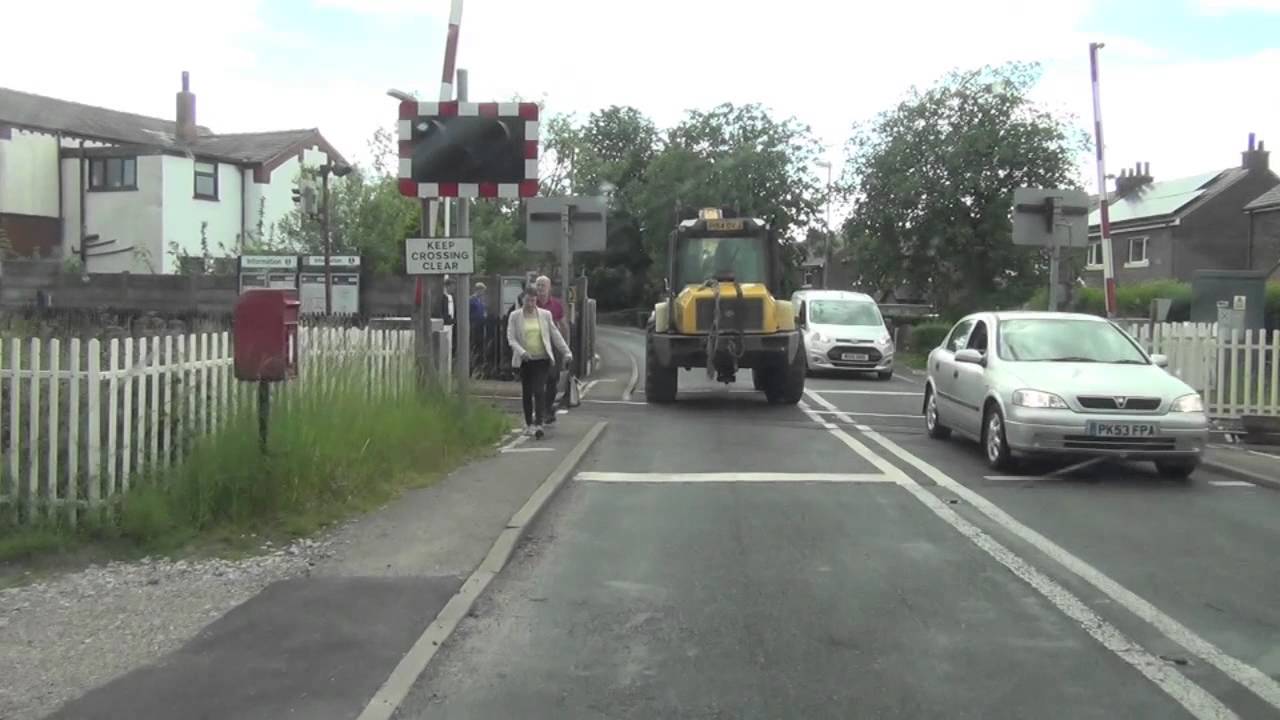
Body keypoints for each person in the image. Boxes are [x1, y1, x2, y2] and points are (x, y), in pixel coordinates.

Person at [507, 286, 572, 438]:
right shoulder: (515, 316)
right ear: (523, 299)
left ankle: (538, 423)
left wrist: (567, 352)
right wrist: (522, 352)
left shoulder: (544, 315)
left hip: (541, 359)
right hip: (525, 361)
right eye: (528, 300)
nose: (531, 304)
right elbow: (511, 338)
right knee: (527, 392)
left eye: (533, 301)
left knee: (539, 390)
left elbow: (555, 335)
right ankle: (529, 424)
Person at [534, 275, 569, 423]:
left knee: (552, 379)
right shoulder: (531, 303)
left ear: (549, 288)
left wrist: (566, 348)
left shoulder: (556, 304)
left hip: (553, 347)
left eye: (543, 285)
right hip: (535, 346)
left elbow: (563, 325)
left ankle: (548, 409)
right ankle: (540, 411)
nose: (540, 288)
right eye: (538, 285)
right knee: (538, 381)